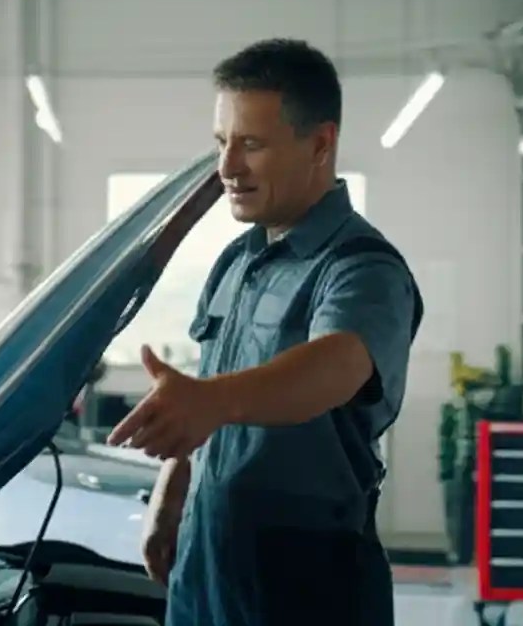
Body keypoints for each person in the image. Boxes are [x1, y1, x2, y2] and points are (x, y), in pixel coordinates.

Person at [107, 38, 422, 625]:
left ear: (320, 144)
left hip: (306, 583)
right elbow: (205, 390)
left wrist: (212, 400)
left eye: (251, 144)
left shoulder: (362, 269)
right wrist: (171, 492)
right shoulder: (236, 260)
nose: (226, 168)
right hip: (208, 564)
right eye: (222, 143)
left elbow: (336, 366)